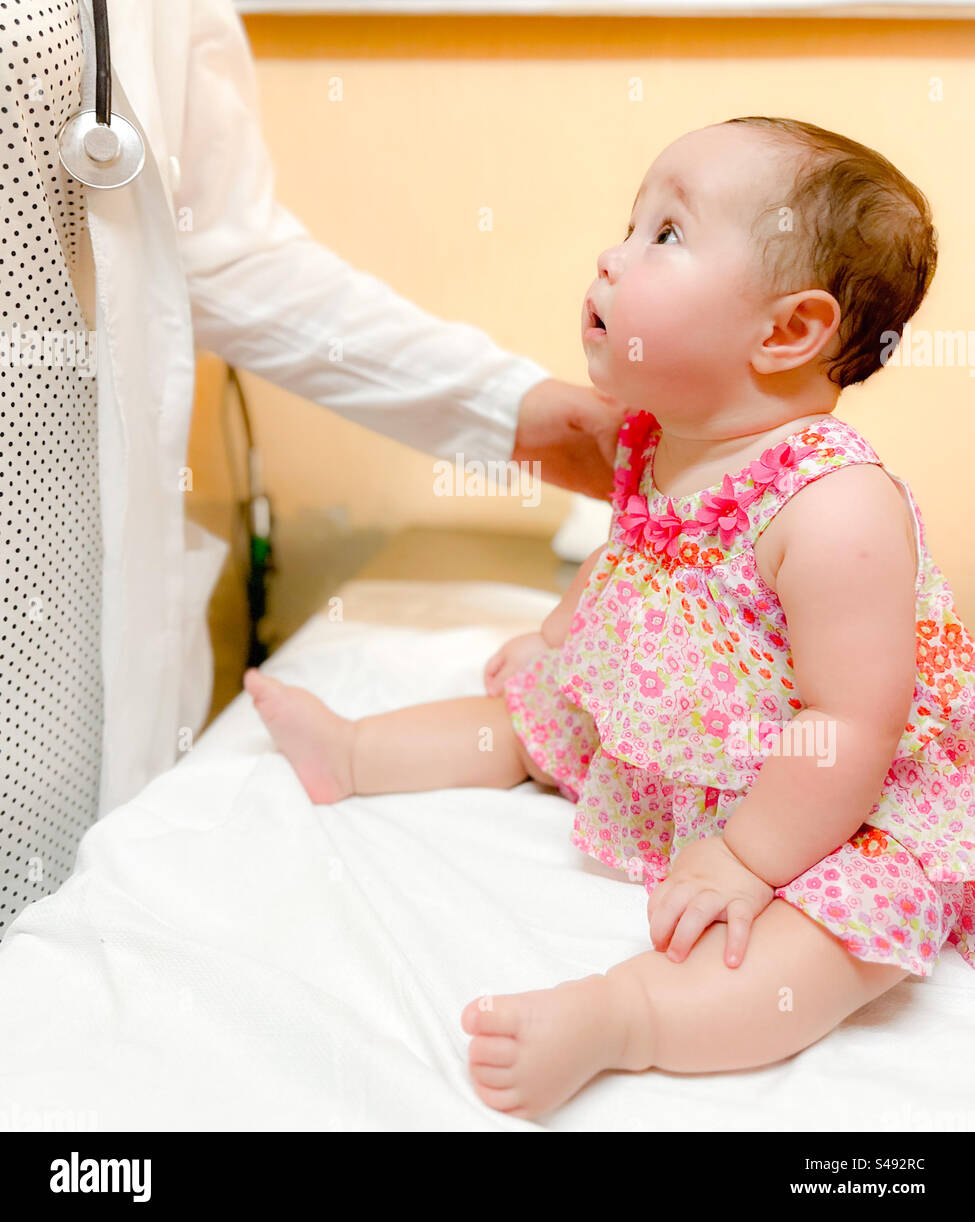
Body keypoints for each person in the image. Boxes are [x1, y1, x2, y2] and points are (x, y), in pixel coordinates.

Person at [245, 116, 975, 1118]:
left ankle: (628, 1018)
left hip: (830, 796)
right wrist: (559, 638)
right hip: (699, 732)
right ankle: (356, 754)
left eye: (666, 234)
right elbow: (637, 553)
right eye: (629, 223)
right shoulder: (655, 441)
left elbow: (850, 722)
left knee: (826, 942)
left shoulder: (837, 505)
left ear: (786, 332)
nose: (611, 254)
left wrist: (752, 856)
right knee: (531, 715)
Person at [0, 0, 621, 939]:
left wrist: (514, 413)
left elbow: (215, 244)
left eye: (666, 233)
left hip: (54, 645)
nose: (618, 261)